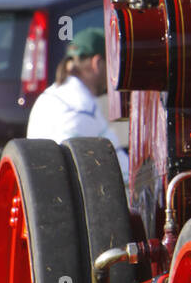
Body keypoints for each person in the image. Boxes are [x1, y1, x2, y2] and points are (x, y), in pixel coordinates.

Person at [26, 27, 128, 178]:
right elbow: (122, 175)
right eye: (112, 64)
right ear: (97, 63)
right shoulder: (82, 109)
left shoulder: (47, 98)